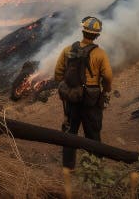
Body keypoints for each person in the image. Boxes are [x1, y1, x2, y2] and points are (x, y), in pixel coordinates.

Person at [54, 16, 113, 170]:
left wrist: (66, 87)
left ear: (82, 32)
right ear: (97, 35)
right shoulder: (100, 54)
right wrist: (105, 91)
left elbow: (58, 73)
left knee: (70, 132)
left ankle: (68, 166)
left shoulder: (68, 50)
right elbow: (107, 76)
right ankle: (93, 167)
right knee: (92, 133)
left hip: (72, 97)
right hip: (91, 100)